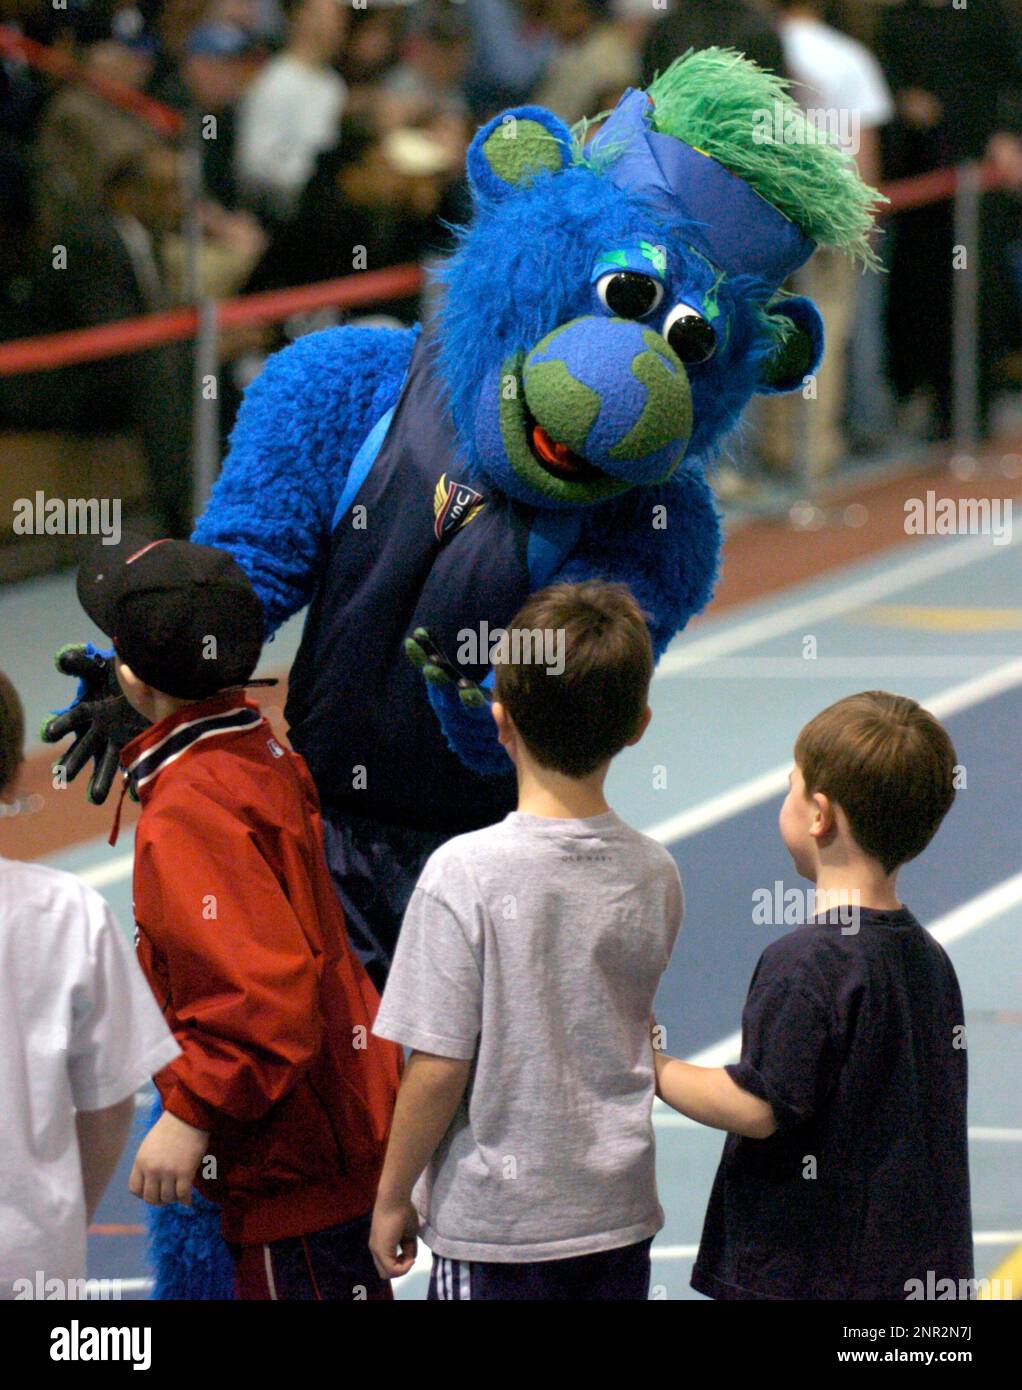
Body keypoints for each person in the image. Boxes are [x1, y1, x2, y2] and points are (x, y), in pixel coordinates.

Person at [74, 534, 401, 1300]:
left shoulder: (188, 809)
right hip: (332, 1136)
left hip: (294, 1170)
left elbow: (260, 998)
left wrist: (190, 1112)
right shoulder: (254, 745)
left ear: (133, 677)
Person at [369, 580, 684, 1300]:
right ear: (638, 725)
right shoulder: (654, 871)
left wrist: (392, 1195)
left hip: (500, 1231)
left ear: (501, 722)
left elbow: (439, 1068)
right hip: (616, 1216)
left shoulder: (461, 873)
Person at [655, 691, 972, 1300]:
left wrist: (654, 1066)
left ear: (819, 815)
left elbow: (758, 1104)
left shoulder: (807, 963)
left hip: (811, 1278)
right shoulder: (930, 960)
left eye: (791, 786)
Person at [0, 668, 179, 1300]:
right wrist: (56, 1216)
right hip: (33, 1261)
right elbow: (107, 1110)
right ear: (14, 773)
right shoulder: (68, 913)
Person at [235, 0, 350, 223]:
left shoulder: (334, 84)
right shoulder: (275, 80)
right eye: (328, 18)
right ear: (302, 18)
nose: (335, 27)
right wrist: (311, 179)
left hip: (322, 213)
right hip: (276, 218)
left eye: (340, 19)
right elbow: (254, 163)